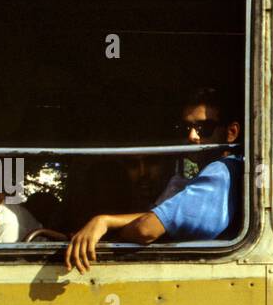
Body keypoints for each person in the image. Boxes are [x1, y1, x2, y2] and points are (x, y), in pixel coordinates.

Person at [65, 88, 242, 273]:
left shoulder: (221, 172)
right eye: (186, 128)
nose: (192, 136)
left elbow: (146, 229)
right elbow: (163, 216)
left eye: (203, 128)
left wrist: (105, 223)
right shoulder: (210, 175)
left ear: (231, 132)